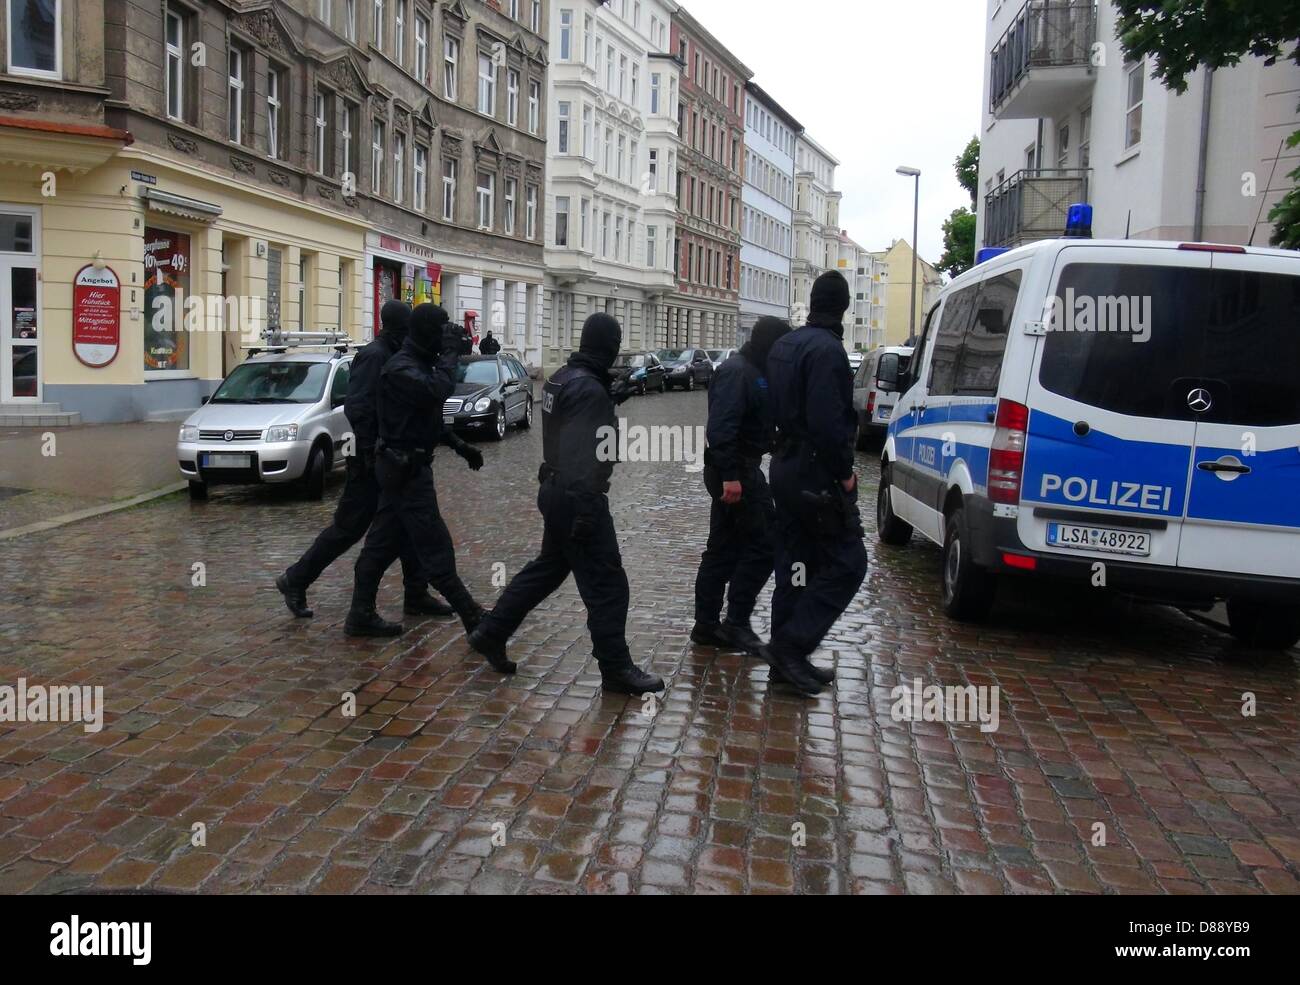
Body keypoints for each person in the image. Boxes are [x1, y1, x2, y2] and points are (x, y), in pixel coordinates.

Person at [467, 313, 664, 695]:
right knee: (608, 584)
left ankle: (492, 631)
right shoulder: (588, 389)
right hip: (578, 496)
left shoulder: (562, 377)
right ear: (608, 345)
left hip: (554, 488)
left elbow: (573, 423)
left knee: (547, 569)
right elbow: (582, 454)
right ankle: (616, 667)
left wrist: (608, 396)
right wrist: (588, 511)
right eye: (616, 342)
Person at [276, 300, 466, 619]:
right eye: (405, 331)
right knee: (349, 528)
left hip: (390, 460)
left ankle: (416, 593)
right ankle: (296, 579)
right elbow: (358, 408)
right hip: (370, 461)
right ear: (394, 330)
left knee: (406, 527)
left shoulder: (398, 354)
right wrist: (370, 451)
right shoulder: (375, 356)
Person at [344, 303, 485, 637]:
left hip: (406, 467)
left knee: (380, 546)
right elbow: (437, 390)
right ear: (425, 334)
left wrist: (460, 446)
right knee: (435, 545)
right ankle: (474, 618)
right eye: (440, 333)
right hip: (403, 470)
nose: (445, 341)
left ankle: (359, 614)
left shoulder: (418, 363)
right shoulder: (400, 368)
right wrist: (450, 352)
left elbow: (428, 419)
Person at [761, 270, 868, 696]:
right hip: (815, 473)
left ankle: (785, 661)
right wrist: (845, 474)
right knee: (848, 562)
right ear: (843, 307)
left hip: (784, 467)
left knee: (796, 565)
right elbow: (829, 423)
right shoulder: (828, 352)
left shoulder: (784, 345)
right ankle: (789, 648)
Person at [691, 316, 790, 653]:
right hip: (736, 472)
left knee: (723, 548)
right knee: (763, 546)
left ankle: (707, 624)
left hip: (739, 467)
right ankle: (735, 622)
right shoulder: (738, 372)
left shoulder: (755, 370)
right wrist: (731, 476)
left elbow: (757, 421)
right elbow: (722, 428)